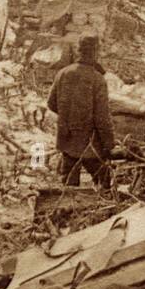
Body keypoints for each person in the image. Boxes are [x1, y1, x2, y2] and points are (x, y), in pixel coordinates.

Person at [47, 36, 116, 186]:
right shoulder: (97, 79)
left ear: (79, 51)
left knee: (68, 189)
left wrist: (68, 116)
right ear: (95, 52)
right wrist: (109, 143)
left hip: (67, 140)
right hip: (90, 143)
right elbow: (102, 117)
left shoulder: (63, 73)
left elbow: (51, 103)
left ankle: (69, 208)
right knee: (104, 183)